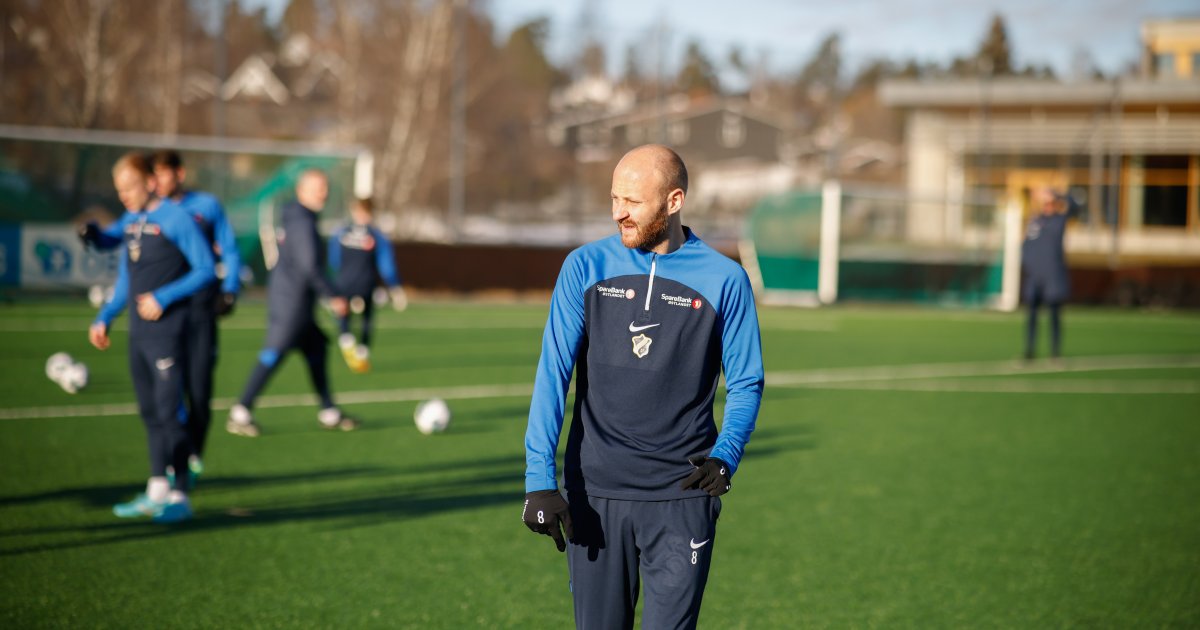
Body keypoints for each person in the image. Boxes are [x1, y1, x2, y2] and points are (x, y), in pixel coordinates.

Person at [522, 145, 764, 629]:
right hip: (595, 494)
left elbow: (746, 381)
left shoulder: (726, 280)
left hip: (682, 498)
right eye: (614, 198)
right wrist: (539, 481)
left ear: (673, 201)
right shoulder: (583, 268)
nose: (618, 213)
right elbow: (553, 375)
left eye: (632, 201)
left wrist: (726, 453)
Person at [81, 150, 241, 480]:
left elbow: (225, 252)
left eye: (165, 173)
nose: (161, 179)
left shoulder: (202, 207)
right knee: (164, 401)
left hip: (199, 313)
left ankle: (188, 461)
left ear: (176, 175)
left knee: (197, 393)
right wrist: (93, 236)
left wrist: (231, 289)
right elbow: (121, 251)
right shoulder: (139, 216)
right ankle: (170, 472)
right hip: (164, 320)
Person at [227, 169, 358, 436]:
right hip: (291, 303)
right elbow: (310, 266)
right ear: (301, 191)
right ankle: (240, 411)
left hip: (296, 301)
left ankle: (329, 411)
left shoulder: (302, 217)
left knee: (317, 349)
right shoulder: (302, 222)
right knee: (273, 354)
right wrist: (332, 295)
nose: (324, 192)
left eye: (325, 186)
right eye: (317, 188)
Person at [327, 197, 406, 374]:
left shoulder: (341, 233)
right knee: (367, 318)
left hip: (344, 283)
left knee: (343, 314)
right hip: (366, 283)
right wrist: (395, 287)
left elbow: (334, 261)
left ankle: (346, 340)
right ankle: (362, 352)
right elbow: (387, 265)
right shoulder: (375, 236)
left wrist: (331, 285)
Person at [1021, 186, 1070, 361]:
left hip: (1053, 277)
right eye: (1045, 203)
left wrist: (1057, 194)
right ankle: (1029, 351)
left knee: (1054, 316)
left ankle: (1055, 353)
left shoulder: (1059, 220)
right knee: (1031, 317)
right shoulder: (1034, 222)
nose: (1047, 206)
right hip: (1035, 277)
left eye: (1050, 203)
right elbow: (1026, 245)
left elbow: (1075, 204)